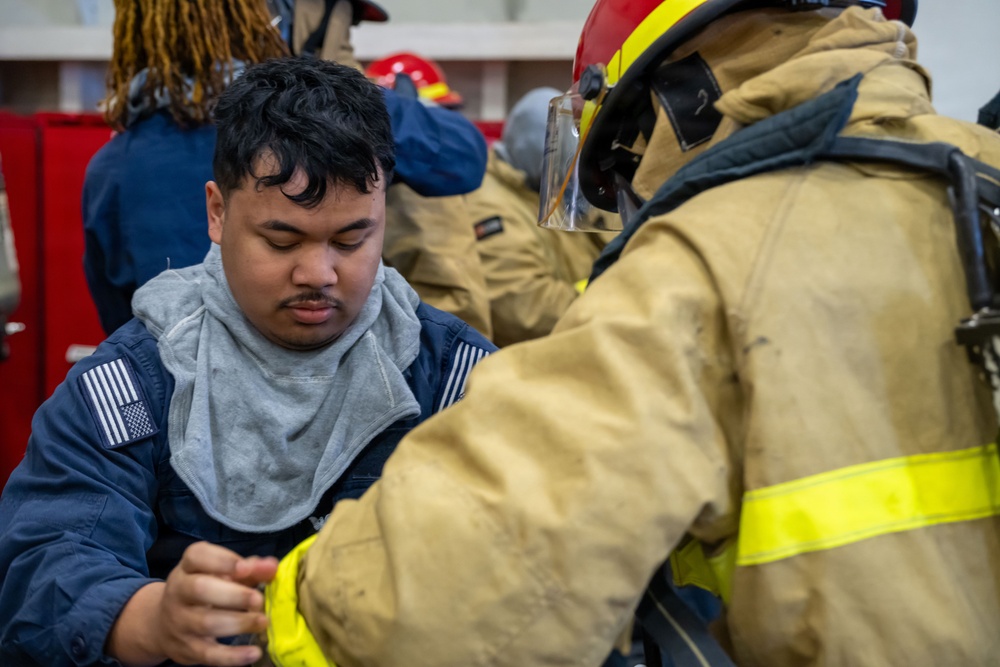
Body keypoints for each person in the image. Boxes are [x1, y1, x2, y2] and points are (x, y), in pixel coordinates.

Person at [262, 1, 1000, 666]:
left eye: (624, 163)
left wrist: (289, 599)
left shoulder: (702, 261)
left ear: (678, 102)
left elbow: (430, 606)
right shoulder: (980, 173)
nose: (632, 198)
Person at [0, 56, 495, 667]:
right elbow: (42, 559)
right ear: (217, 213)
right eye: (281, 240)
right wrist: (147, 618)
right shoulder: (133, 387)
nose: (318, 274)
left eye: (351, 240)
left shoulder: (455, 379)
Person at [83, 0, 488, 336]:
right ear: (278, 18)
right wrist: (333, 82)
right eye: (344, 33)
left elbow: (122, 320)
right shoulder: (339, 125)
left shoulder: (112, 167)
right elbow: (463, 156)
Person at [467, 86, 616, 346]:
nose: (575, 169)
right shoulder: (489, 207)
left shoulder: (542, 187)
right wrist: (615, 299)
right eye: (565, 157)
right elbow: (527, 310)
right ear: (538, 150)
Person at [367, 53, 494, 338]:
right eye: (440, 113)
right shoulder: (420, 187)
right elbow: (456, 298)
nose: (445, 126)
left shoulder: (436, 177)